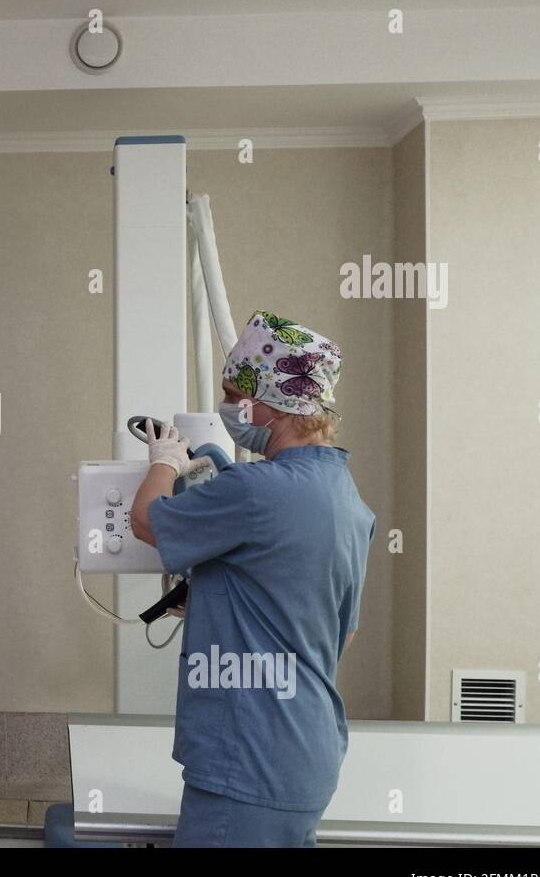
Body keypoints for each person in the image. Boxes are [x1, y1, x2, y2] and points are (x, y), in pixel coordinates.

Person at [129, 310, 375, 847]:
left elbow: (146, 520)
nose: (228, 411)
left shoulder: (258, 490)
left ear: (268, 402)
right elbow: (335, 628)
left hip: (249, 758)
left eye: (232, 396)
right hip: (306, 750)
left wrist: (164, 464)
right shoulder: (345, 499)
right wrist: (221, 602)